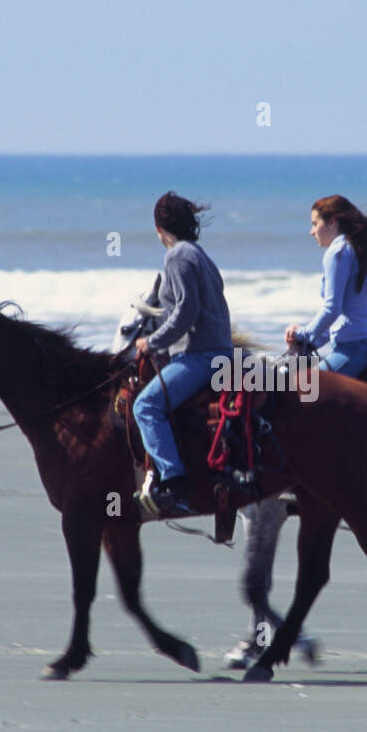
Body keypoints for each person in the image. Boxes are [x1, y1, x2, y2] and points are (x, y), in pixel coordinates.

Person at [133, 192, 234, 516]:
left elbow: (186, 312)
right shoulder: (201, 255)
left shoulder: (176, 256)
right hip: (220, 352)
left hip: (199, 356)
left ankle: (174, 481)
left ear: (159, 228)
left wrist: (153, 342)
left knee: (145, 405)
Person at [285, 195, 367, 378]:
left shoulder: (337, 252)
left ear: (332, 222)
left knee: (302, 387)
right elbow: (343, 317)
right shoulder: (356, 248)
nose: (312, 231)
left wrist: (302, 334)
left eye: (315, 224)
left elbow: (332, 309)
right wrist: (312, 341)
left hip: (352, 351)